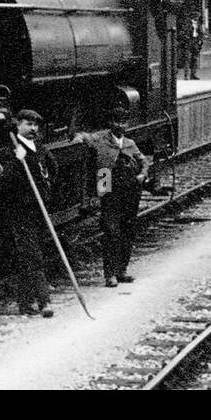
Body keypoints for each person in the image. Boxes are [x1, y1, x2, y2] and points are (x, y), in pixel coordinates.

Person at [86, 107, 151, 287]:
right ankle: (110, 275)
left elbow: (143, 161)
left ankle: (122, 271)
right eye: (117, 122)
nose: (120, 125)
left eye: (123, 122)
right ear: (110, 123)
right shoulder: (101, 140)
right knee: (111, 232)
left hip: (130, 193)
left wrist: (142, 175)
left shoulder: (130, 143)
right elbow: (86, 139)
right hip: (110, 193)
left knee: (127, 231)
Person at [7, 109, 56, 317]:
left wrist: (46, 189)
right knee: (32, 255)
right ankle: (44, 301)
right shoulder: (11, 150)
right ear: (18, 126)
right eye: (28, 124)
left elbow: (52, 169)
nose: (33, 129)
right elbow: (5, 181)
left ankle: (25, 303)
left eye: (36, 125)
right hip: (22, 210)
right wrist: (16, 161)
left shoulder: (41, 149)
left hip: (40, 209)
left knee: (30, 255)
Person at [182, 10, 204, 80]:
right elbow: (183, 32)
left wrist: (200, 40)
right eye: (196, 17)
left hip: (196, 42)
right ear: (193, 17)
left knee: (195, 59)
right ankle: (186, 75)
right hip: (189, 42)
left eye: (198, 17)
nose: (197, 18)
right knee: (187, 59)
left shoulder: (198, 24)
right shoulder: (187, 23)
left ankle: (193, 75)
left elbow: (201, 33)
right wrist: (187, 39)